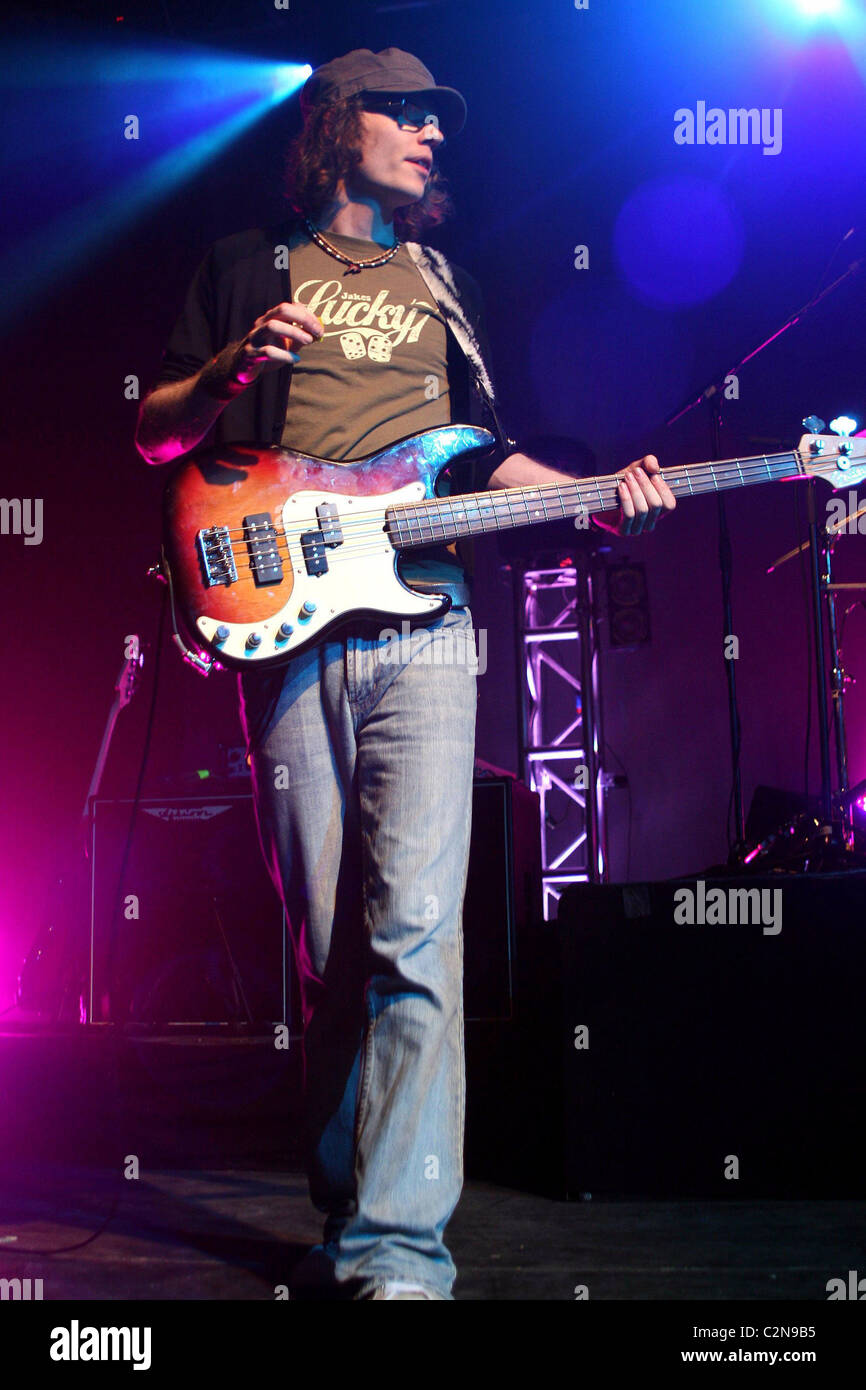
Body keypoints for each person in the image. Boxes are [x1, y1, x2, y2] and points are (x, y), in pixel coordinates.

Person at [135, 46, 675, 1300]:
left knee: (414, 939)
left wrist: (603, 502)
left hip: (430, 631)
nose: (431, 136)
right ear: (338, 125)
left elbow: (478, 461)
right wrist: (227, 374)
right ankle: (347, 1206)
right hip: (288, 638)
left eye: (440, 120)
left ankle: (397, 1256)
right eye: (405, 114)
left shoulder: (447, 284)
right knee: (333, 951)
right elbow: (156, 430)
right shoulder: (243, 267)